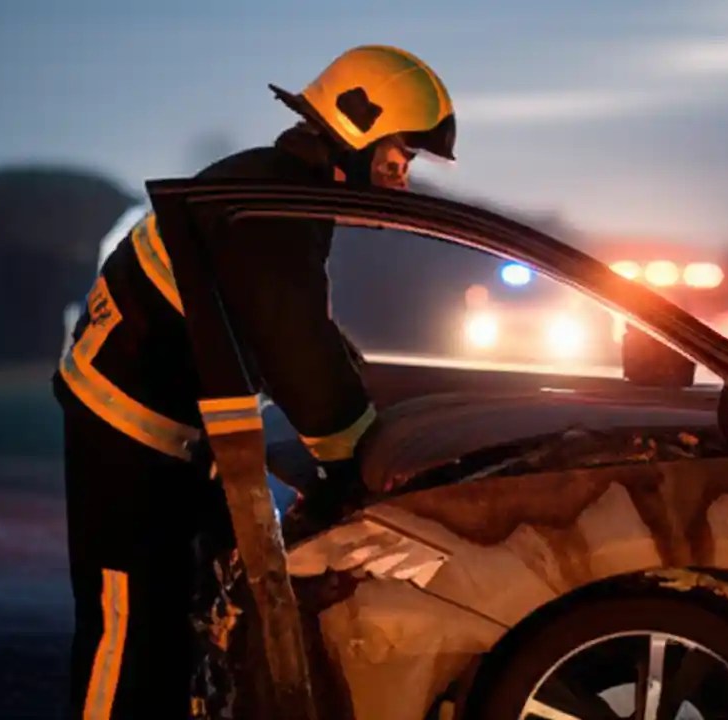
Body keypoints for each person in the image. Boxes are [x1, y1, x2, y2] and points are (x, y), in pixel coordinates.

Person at [53, 45, 456, 720]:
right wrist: (358, 465)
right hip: (126, 433)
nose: (401, 178)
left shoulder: (281, 193)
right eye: (397, 156)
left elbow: (297, 325)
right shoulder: (271, 208)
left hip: (172, 431)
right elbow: (296, 352)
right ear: (357, 130)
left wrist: (355, 398)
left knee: (186, 611)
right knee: (129, 622)